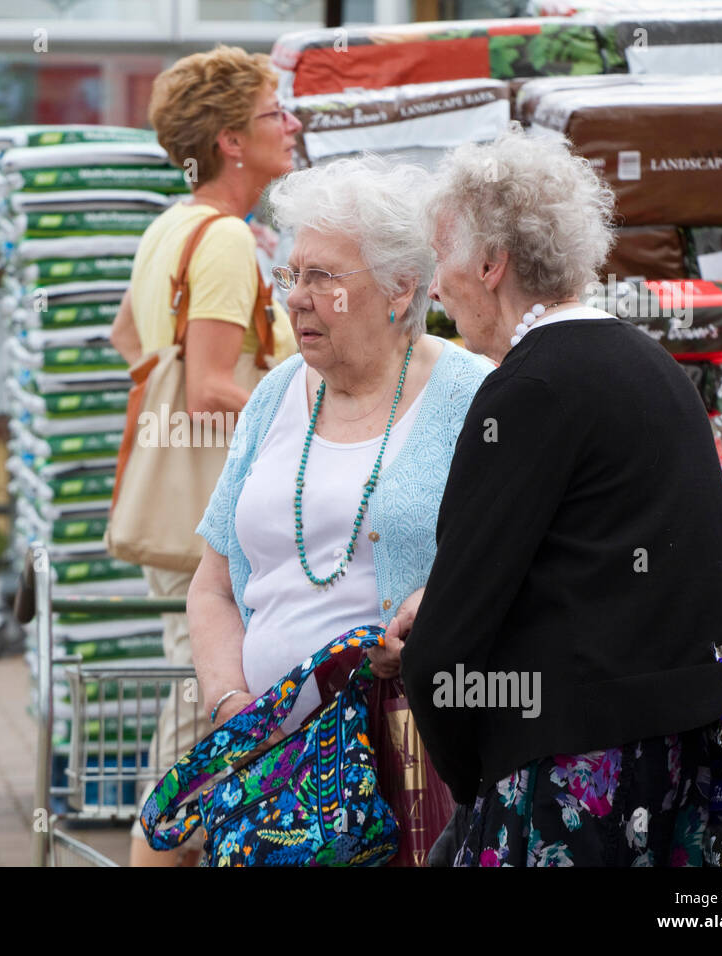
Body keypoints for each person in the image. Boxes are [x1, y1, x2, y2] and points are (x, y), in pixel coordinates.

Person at [400, 125, 722, 867]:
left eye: (441, 260)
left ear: (493, 264)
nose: (434, 287)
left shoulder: (527, 390)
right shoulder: (651, 365)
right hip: (673, 771)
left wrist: (474, 778)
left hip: (566, 775)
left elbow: (448, 641)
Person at [185, 154, 492, 862]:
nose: (295, 297)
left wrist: (433, 611)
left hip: (407, 770)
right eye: (292, 276)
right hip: (272, 776)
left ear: (398, 288)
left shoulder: (474, 397)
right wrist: (234, 711)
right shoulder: (274, 393)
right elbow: (211, 583)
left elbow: (520, 571)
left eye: (323, 277)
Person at [109, 45, 301, 867]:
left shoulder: (171, 227)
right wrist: (307, 408)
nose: (291, 124)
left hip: (184, 512)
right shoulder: (222, 240)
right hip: (215, 530)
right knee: (199, 738)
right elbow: (210, 388)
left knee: (198, 726)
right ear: (229, 140)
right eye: (273, 113)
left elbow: (130, 344)